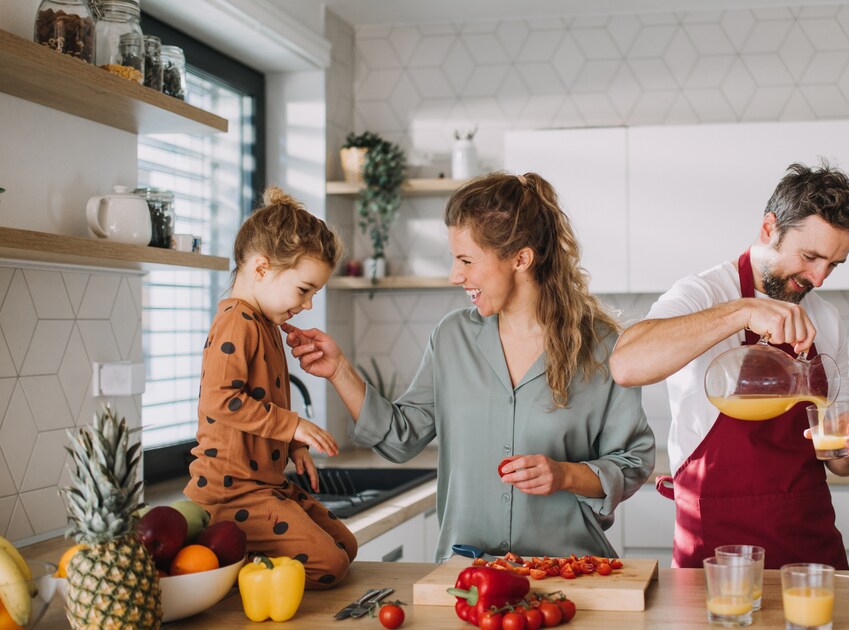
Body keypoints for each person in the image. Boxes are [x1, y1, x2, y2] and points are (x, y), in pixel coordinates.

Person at [283, 172, 655, 561]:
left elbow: (633, 461)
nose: (454, 275)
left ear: (521, 259)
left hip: (569, 569)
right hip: (469, 575)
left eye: (466, 260)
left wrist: (565, 475)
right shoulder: (451, 338)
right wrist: (339, 370)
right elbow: (399, 437)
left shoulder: (600, 348)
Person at [609, 161, 849, 570]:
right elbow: (626, 364)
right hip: (716, 550)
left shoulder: (825, 319)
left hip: (810, 546)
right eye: (810, 257)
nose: (819, 278)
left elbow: (839, 460)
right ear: (770, 228)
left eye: (833, 264)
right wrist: (742, 312)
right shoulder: (702, 293)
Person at [185, 187, 356, 589]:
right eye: (304, 289)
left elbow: (261, 401)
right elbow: (220, 399)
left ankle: (233, 561)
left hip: (264, 484)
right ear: (261, 269)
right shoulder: (235, 322)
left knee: (345, 546)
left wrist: (294, 447)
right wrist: (293, 425)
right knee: (330, 564)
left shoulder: (264, 323)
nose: (309, 304)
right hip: (232, 493)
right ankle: (227, 566)